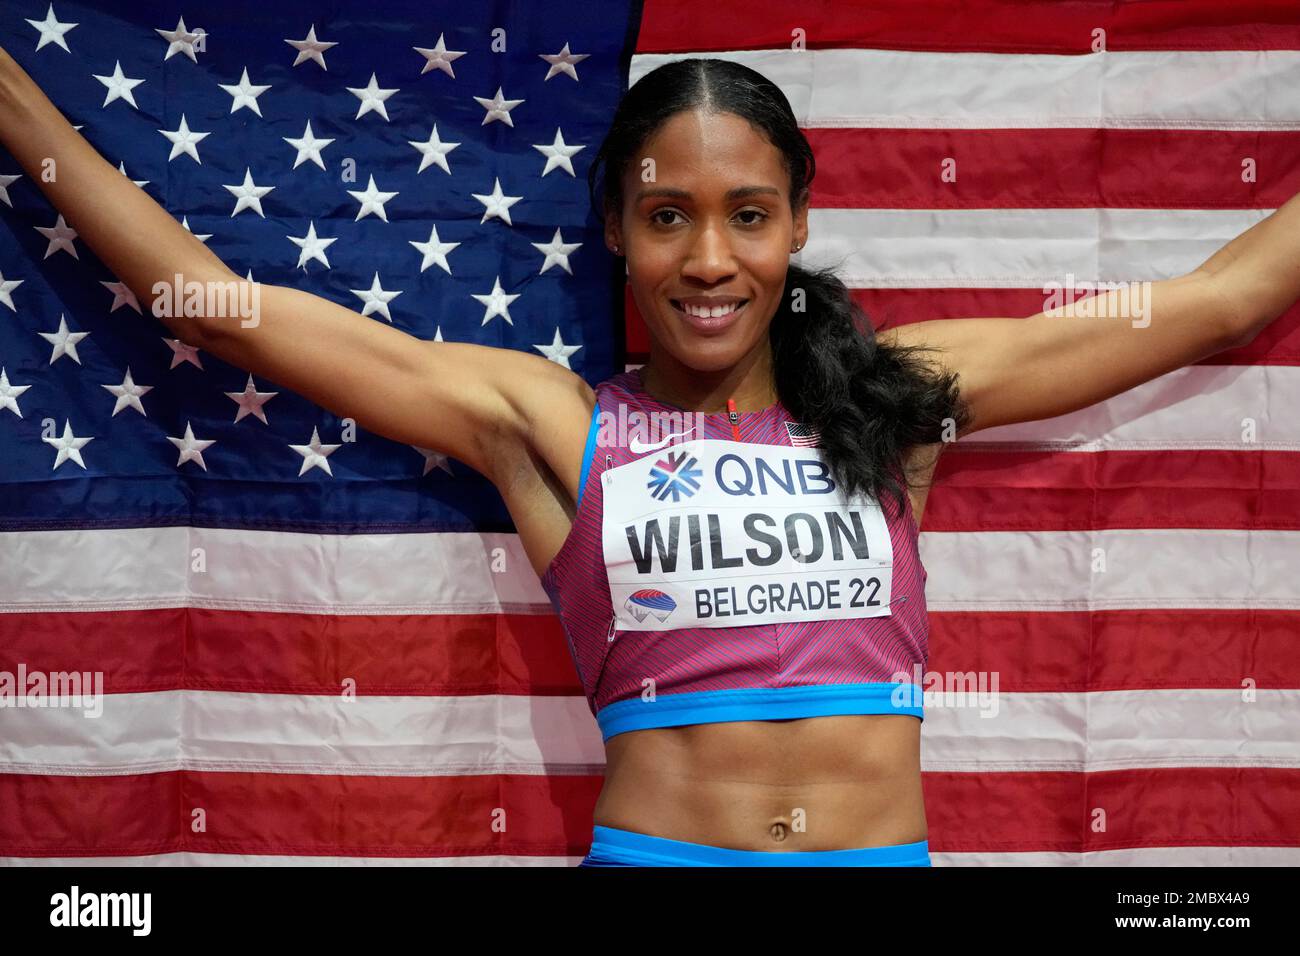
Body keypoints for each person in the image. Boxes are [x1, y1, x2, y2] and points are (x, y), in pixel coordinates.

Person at [0, 48, 1293, 867]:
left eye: (748, 216)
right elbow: (216, 306)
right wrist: (18, 108)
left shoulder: (900, 398)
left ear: (798, 222)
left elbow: (1216, 304)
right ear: (618, 227)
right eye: (667, 217)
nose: (710, 261)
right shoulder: (552, 424)